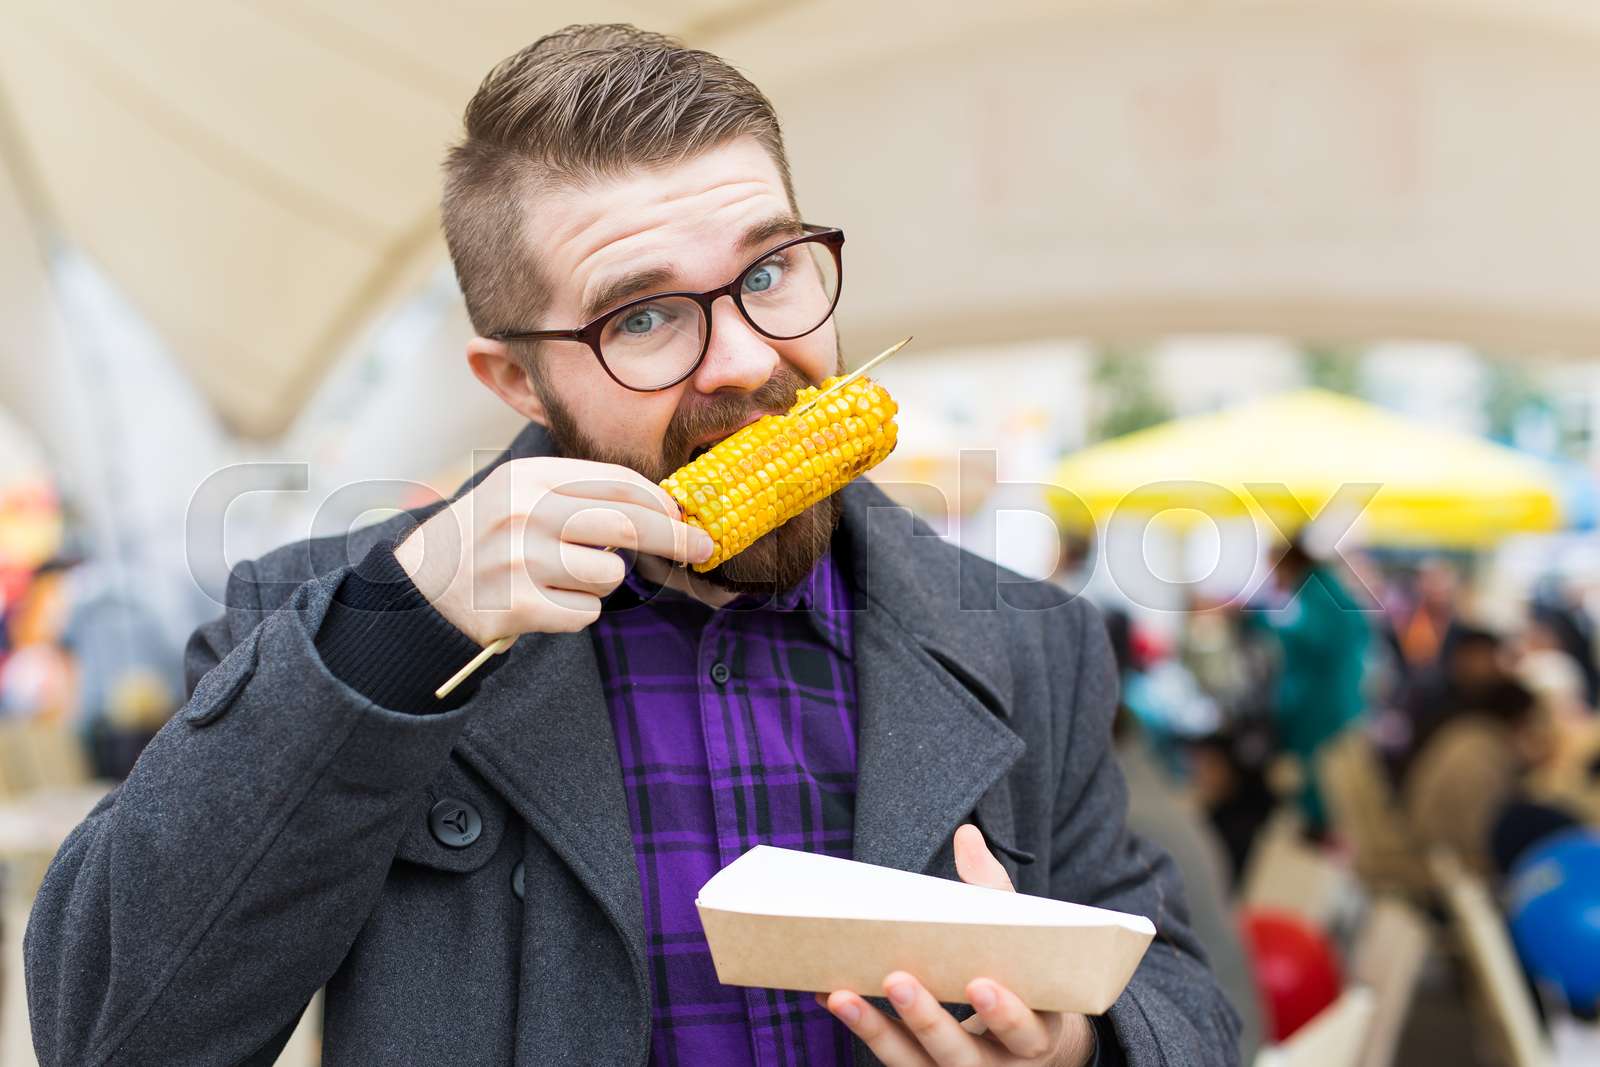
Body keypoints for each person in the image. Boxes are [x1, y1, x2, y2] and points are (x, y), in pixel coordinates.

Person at [24, 25, 1238, 1067]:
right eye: (643, 316)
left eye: (768, 271)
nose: (748, 359)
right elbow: (112, 1030)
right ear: (515, 376)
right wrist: (393, 640)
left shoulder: (1026, 639)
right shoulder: (327, 621)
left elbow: (1189, 999)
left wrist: (1081, 1045)